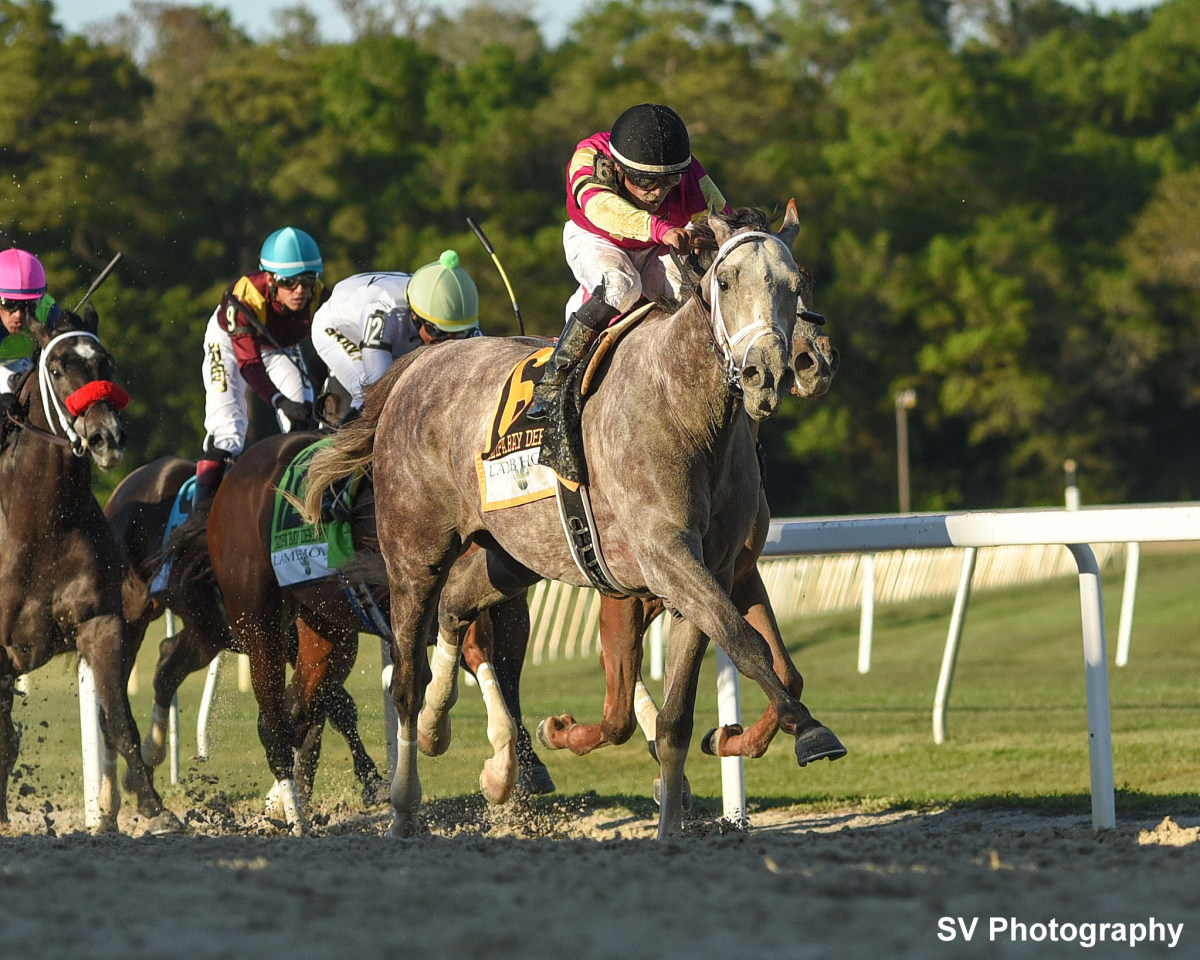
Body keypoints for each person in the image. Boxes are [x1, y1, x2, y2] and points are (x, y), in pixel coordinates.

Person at [528, 102, 731, 420]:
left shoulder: (690, 173)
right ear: (619, 169)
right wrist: (661, 229)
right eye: (646, 182)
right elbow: (602, 209)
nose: (657, 194)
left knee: (689, 295)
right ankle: (554, 381)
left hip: (651, 247)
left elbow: (724, 222)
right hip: (595, 239)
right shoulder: (588, 156)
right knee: (623, 285)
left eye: (668, 182)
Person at [193, 226, 327, 508]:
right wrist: (278, 401)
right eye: (289, 283)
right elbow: (249, 364)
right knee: (228, 433)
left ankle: (296, 498)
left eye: (307, 280)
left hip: (276, 346)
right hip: (230, 345)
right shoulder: (246, 296)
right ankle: (198, 514)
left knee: (303, 415)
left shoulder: (319, 296)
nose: (300, 291)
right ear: (270, 279)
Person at [310, 249, 481, 420]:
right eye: (439, 333)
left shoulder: (460, 318)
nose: (446, 344)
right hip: (337, 328)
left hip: (390, 334)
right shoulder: (384, 313)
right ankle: (345, 441)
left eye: (457, 334)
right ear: (415, 315)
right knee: (371, 398)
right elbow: (378, 391)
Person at [0, 247, 63, 420]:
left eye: (29, 305)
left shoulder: (49, 311)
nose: (19, 315)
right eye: (8, 304)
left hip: (28, 366)